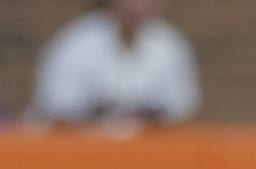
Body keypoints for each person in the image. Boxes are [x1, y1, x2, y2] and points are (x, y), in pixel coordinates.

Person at [28, 0, 200, 125]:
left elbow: (182, 112)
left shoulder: (169, 44)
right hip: (82, 155)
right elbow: (59, 113)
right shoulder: (74, 44)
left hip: (148, 154)